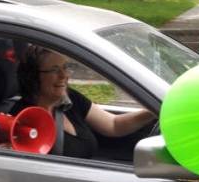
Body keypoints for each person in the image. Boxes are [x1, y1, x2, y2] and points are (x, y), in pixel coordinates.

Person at [13, 45, 156, 159]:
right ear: (33, 76)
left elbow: (114, 125)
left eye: (65, 67)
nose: (64, 75)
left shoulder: (69, 99)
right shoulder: (22, 119)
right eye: (54, 70)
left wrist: (154, 109)